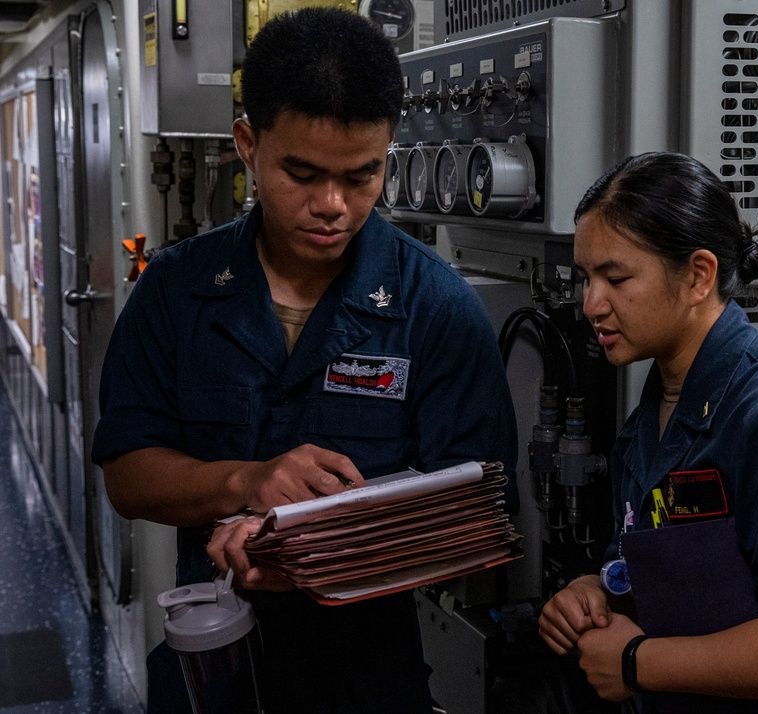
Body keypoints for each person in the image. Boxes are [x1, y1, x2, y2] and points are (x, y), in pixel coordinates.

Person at [92, 7, 518, 713]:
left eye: (361, 176)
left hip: (366, 674)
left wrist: (318, 553)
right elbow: (130, 476)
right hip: (213, 662)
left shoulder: (436, 309)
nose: (332, 206)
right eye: (302, 172)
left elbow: (470, 518)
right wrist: (247, 479)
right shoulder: (175, 291)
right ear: (248, 145)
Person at [538, 152, 758, 710]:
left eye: (615, 277)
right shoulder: (656, 411)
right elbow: (658, 552)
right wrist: (600, 588)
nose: (591, 304)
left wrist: (636, 663)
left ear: (698, 276)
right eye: (586, 278)